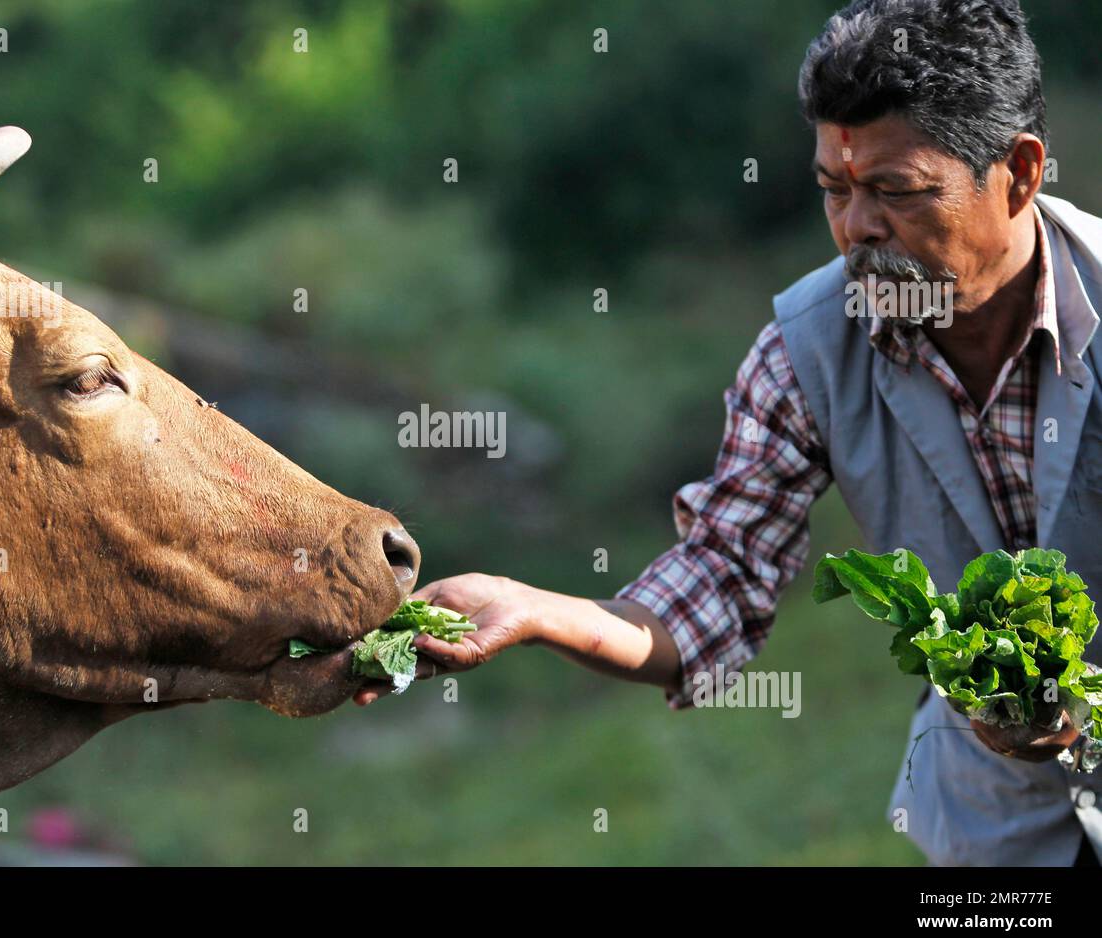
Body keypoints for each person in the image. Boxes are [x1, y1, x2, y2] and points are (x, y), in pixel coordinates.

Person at [355, 0, 1102, 866]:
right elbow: (720, 580)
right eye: (835, 190)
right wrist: (536, 610)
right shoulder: (809, 353)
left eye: (895, 191)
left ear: (1018, 172)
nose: (857, 227)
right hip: (998, 823)